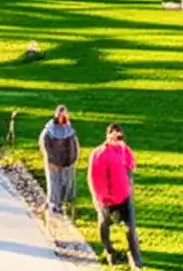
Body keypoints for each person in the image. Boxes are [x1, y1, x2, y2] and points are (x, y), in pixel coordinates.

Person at [88, 123, 142, 269]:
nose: (117, 138)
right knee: (104, 225)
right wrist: (103, 198)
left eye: (119, 135)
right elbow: (95, 179)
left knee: (131, 228)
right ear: (108, 135)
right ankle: (110, 251)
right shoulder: (99, 154)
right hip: (106, 200)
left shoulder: (124, 149)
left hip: (124, 196)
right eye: (114, 134)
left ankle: (136, 260)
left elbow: (131, 165)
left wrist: (129, 183)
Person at [39, 105, 80, 216]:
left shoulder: (69, 130)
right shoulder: (49, 131)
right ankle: (53, 204)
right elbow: (45, 145)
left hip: (67, 162)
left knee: (65, 183)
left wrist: (73, 159)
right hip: (54, 162)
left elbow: (74, 145)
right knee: (54, 183)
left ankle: (61, 204)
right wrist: (50, 160)